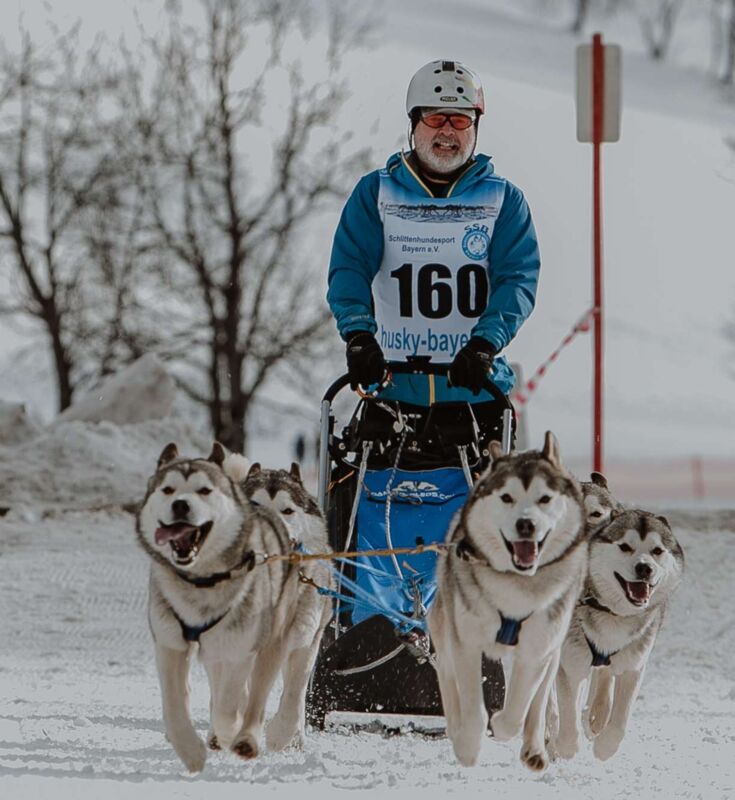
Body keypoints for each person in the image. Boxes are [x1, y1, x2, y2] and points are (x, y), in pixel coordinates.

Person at [327, 59, 540, 444]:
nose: (447, 131)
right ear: (414, 123)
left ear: (475, 127)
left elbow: (518, 281)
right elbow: (349, 269)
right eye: (435, 117)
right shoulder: (376, 194)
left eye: (460, 120)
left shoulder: (503, 200)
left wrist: (485, 344)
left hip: (475, 393)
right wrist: (358, 335)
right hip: (391, 392)